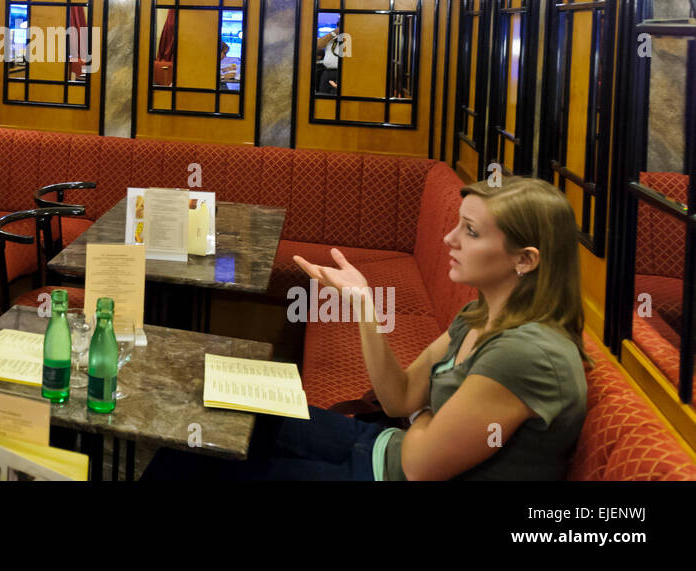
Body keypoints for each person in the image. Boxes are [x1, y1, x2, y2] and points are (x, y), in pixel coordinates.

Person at [145, 176, 589, 480]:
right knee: (211, 415)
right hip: (382, 446)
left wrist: (422, 416)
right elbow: (398, 398)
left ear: (525, 259)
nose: (448, 240)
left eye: (470, 232)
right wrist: (365, 306)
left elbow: (419, 467)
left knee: (196, 466)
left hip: (383, 471)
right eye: (456, 223)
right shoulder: (478, 315)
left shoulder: (527, 354)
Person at [315, 19, 342, 94]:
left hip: (342, 72)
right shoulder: (331, 36)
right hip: (327, 72)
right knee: (322, 96)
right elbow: (318, 45)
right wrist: (335, 32)